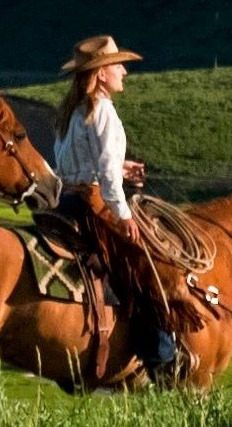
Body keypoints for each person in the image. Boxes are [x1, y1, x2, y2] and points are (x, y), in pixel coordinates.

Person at [51, 34, 195, 381]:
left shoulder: (72, 112)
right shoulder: (102, 111)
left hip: (67, 199)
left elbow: (73, 164)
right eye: (118, 66)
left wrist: (120, 166)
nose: (124, 72)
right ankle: (161, 355)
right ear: (101, 74)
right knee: (146, 263)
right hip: (93, 203)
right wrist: (124, 215)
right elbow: (104, 176)